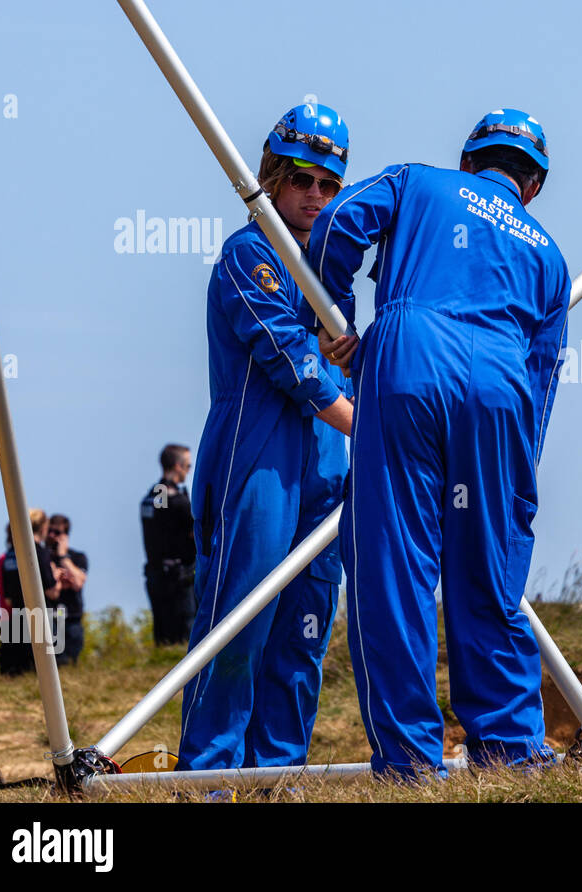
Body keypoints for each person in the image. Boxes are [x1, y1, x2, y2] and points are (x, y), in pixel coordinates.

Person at [308, 108, 570, 779]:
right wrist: (513, 483)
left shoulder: (417, 181)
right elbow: (542, 379)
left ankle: (411, 760)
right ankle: (510, 748)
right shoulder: (548, 254)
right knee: (488, 571)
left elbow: (338, 222)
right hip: (502, 385)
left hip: (413, 355)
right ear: (532, 185)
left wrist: (335, 315)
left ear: (468, 160)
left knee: (395, 567)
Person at [178, 103, 354, 771]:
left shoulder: (332, 267)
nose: (316, 196)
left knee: (305, 627)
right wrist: (372, 429)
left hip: (326, 459)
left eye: (330, 185)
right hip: (258, 454)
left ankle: (275, 775)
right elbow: (294, 362)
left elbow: (351, 358)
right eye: (304, 179)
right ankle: (208, 774)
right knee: (239, 622)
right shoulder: (248, 254)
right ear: (273, 177)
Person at [141, 443, 197, 646]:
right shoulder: (176, 501)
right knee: (183, 638)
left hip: (157, 575)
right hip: (178, 578)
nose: (189, 471)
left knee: (163, 637)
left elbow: (159, 515)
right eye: (188, 466)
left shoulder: (153, 496)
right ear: (177, 465)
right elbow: (194, 532)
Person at [0, 510, 61, 676]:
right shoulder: (39, 552)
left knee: (18, 671)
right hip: (40, 617)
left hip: (16, 617)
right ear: (42, 528)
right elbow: (51, 591)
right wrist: (56, 577)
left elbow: (8, 598)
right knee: (46, 672)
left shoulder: (11, 555)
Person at [46, 514, 87, 666]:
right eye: (49, 531)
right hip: (51, 620)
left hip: (72, 619)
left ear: (65, 536)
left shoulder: (77, 557)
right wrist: (59, 578)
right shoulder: (43, 557)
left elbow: (78, 582)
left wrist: (63, 557)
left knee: (71, 665)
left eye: (57, 533)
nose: (51, 536)